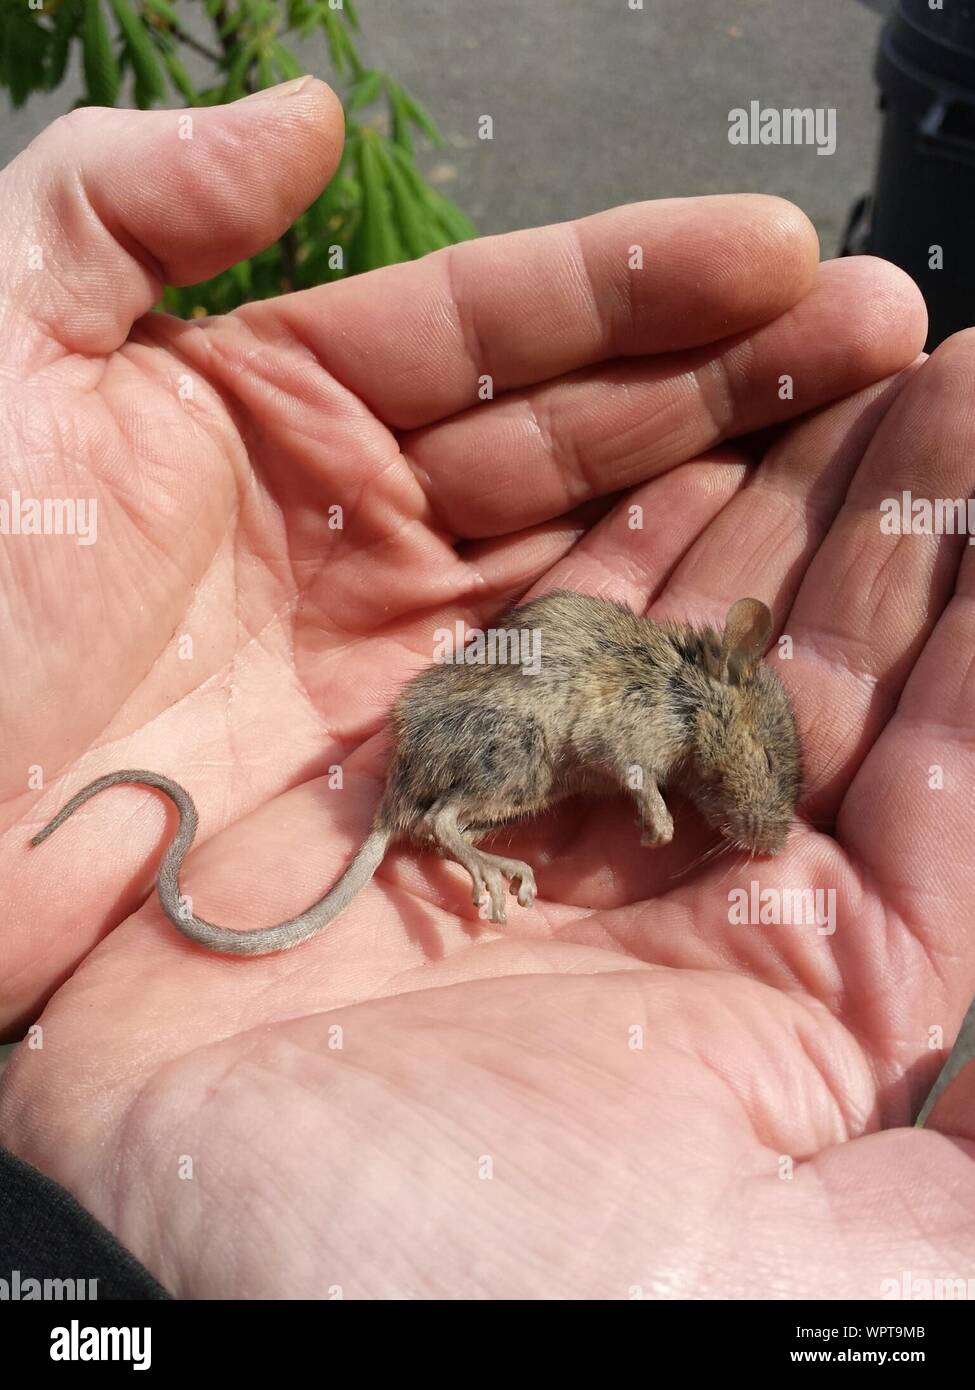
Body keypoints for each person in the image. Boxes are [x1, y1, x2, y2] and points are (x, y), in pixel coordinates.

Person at [0, 78, 972, 1300]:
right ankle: (453, 830)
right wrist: (651, 805)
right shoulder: (661, 700)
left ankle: (449, 822)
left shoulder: (685, 688)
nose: (758, 806)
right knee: (518, 756)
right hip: (487, 734)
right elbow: (616, 740)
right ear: (725, 702)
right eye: (759, 776)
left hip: (479, 717)